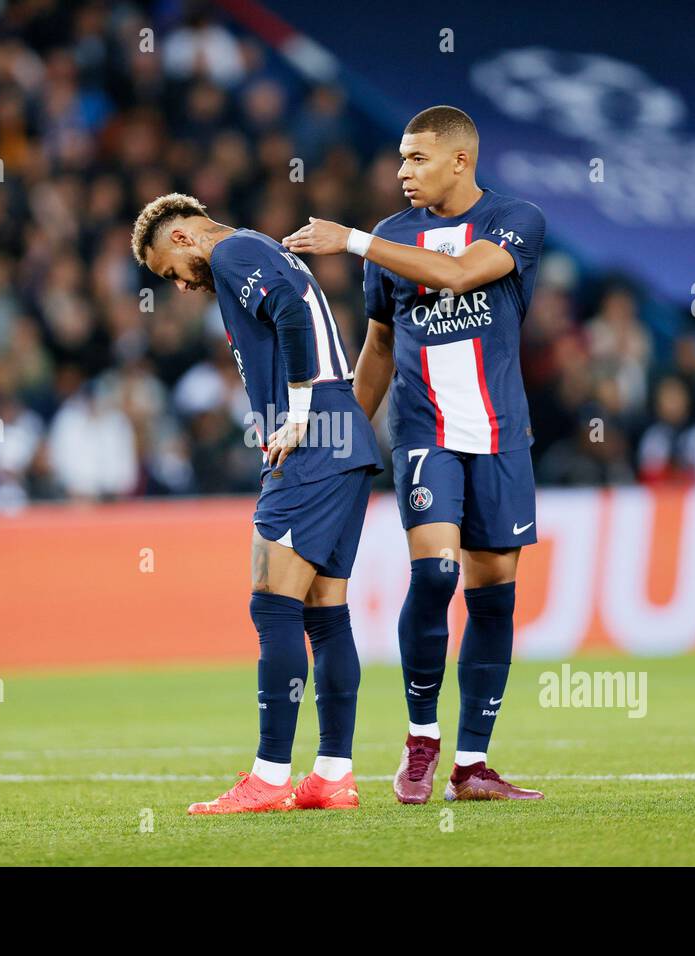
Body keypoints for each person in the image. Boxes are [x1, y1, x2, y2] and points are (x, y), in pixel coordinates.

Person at [283, 105, 545, 802]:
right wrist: (343, 437)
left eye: (418, 159)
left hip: (499, 437)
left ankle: (472, 764)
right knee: (435, 576)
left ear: (462, 160)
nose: (402, 172)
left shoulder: (514, 221)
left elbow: (461, 275)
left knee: (494, 600)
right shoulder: (393, 240)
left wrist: (355, 242)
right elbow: (380, 346)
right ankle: (421, 739)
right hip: (424, 431)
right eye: (400, 159)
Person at [132, 193, 382, 813]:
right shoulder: (258, 250)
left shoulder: (235, 251)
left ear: (186, 237)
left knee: (273, 606)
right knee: (326, 611)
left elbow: (293, 315)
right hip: (344, 436)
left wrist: (297, 415)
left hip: (314, 436)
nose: (181, 285)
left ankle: (270, 778)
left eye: (171, 270)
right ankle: (331, 775)